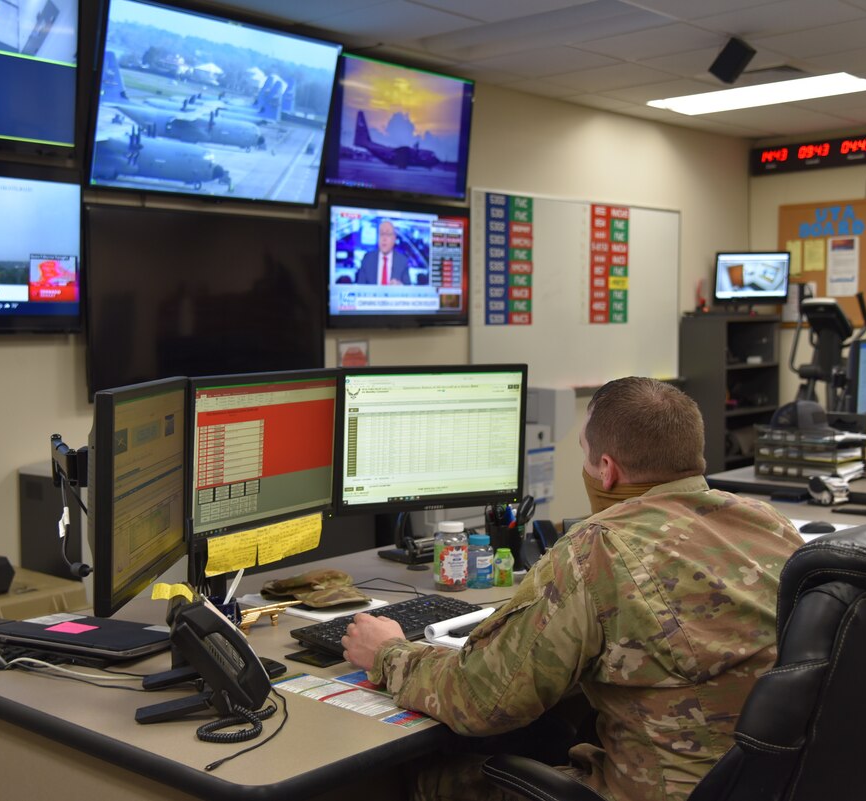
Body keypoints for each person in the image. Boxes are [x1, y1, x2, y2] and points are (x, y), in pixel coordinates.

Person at [342, 377, 804, 801]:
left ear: (606, 469)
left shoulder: (596, 549)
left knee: (415, 777)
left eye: (582, 451)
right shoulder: (769, 524)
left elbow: (482, 699)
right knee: (555, 733)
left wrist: (389, 653)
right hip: (772, 783)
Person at [355, 220, 411, 285]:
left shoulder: (402, 260)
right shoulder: (367, 259)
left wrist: (400, 286)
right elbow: (360, 288)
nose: (384, 238)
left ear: (394, 238)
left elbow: (408, 288)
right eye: (381, 234)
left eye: (388, 234)